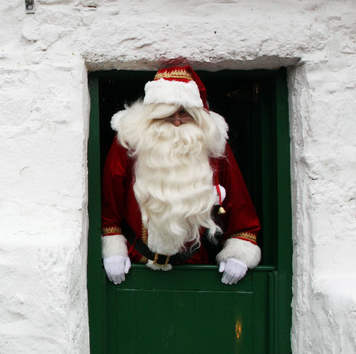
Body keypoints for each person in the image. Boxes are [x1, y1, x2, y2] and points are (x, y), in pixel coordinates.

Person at [101, 65, 261, 285]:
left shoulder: (212, 145)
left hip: (196, 266)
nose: (176, 122)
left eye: (184, 114)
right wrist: (113, 247)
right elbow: (110, 198)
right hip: (135, 263)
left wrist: (239, 251)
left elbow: (238, 202)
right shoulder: (129, 141)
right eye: (167, 115)